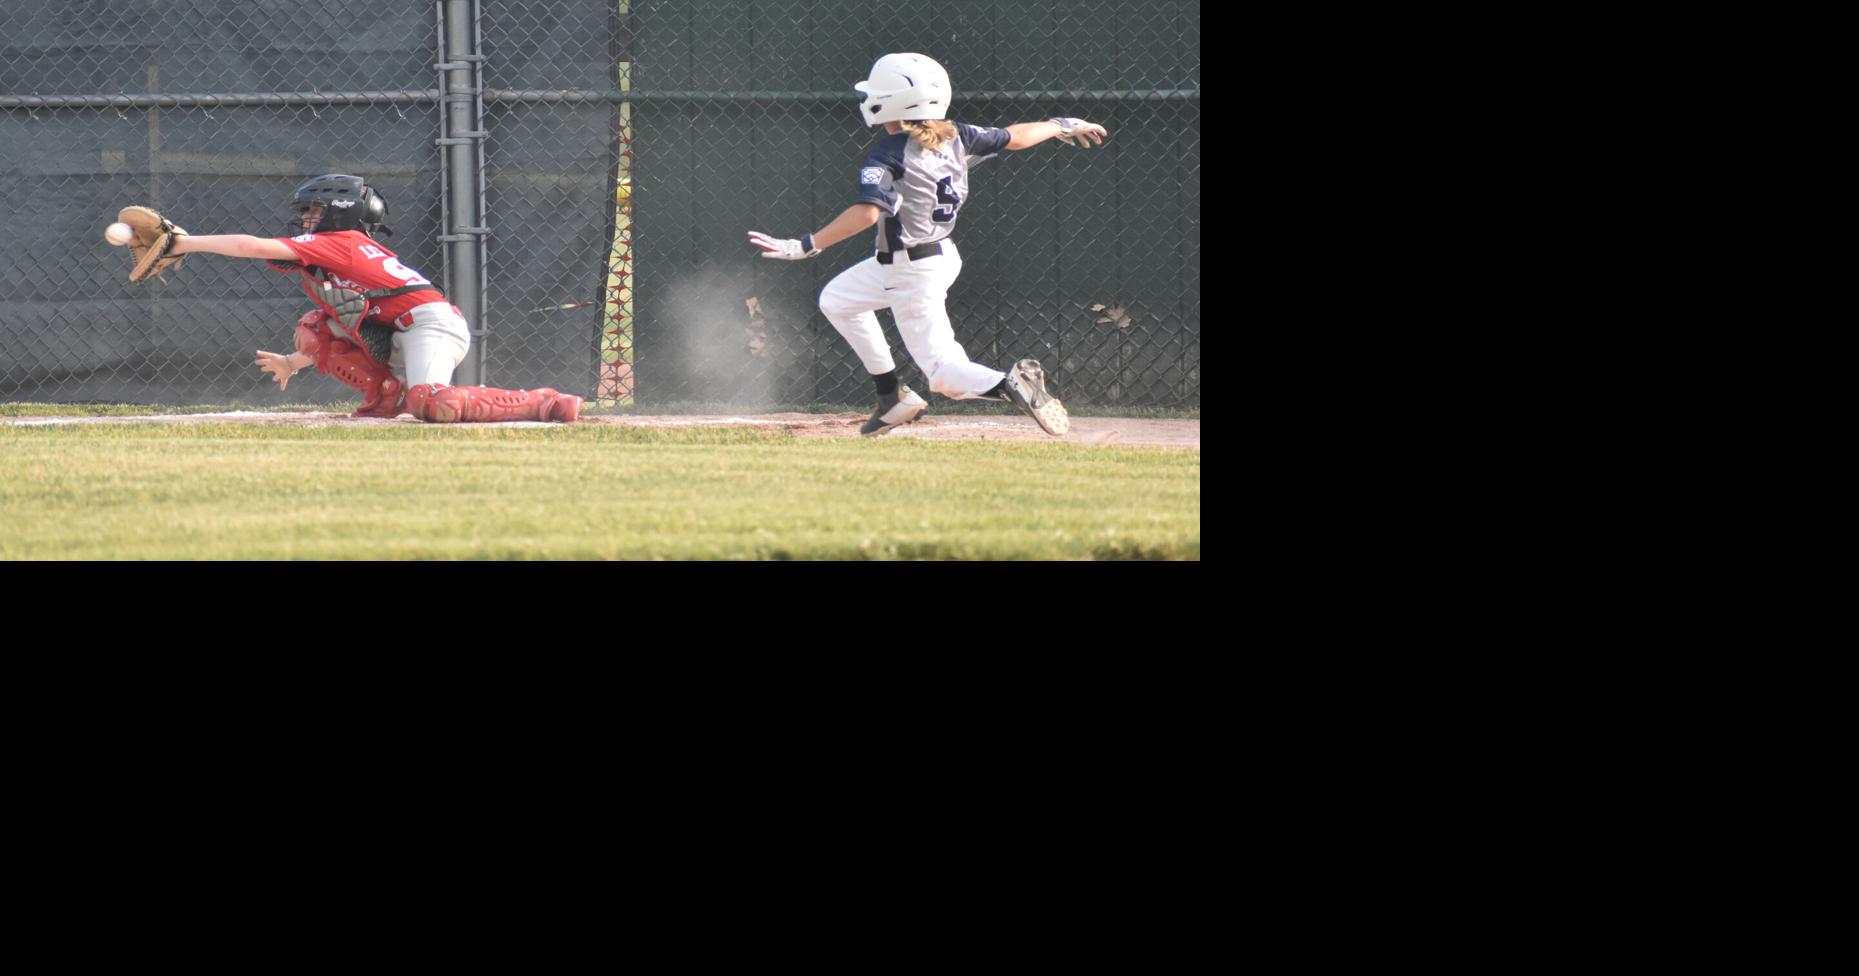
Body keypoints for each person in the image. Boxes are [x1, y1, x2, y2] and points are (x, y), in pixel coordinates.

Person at [747, 52, 1106, 437]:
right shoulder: (957, 134)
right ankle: (891, 397)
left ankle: (1011, 384)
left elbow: (866, 214)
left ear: (890, 102)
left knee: (943, 373)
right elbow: (1015, 137)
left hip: (911, 270)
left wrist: (805, 245)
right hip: (932, 256)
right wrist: (1059, 124)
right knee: (838, 299)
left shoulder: (888, 152)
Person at [165, 174, 581, 422]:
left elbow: (250, 246)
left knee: (433, 402)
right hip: (399, 331)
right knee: (315, 327)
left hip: (431, 326)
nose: (306, 219)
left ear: (340, 211)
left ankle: (541, 402)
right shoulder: (338, 250)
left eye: (314, 211)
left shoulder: (341, 241)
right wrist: (292, 362)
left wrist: (184, 243)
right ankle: (388, 393)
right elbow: (348, 328)